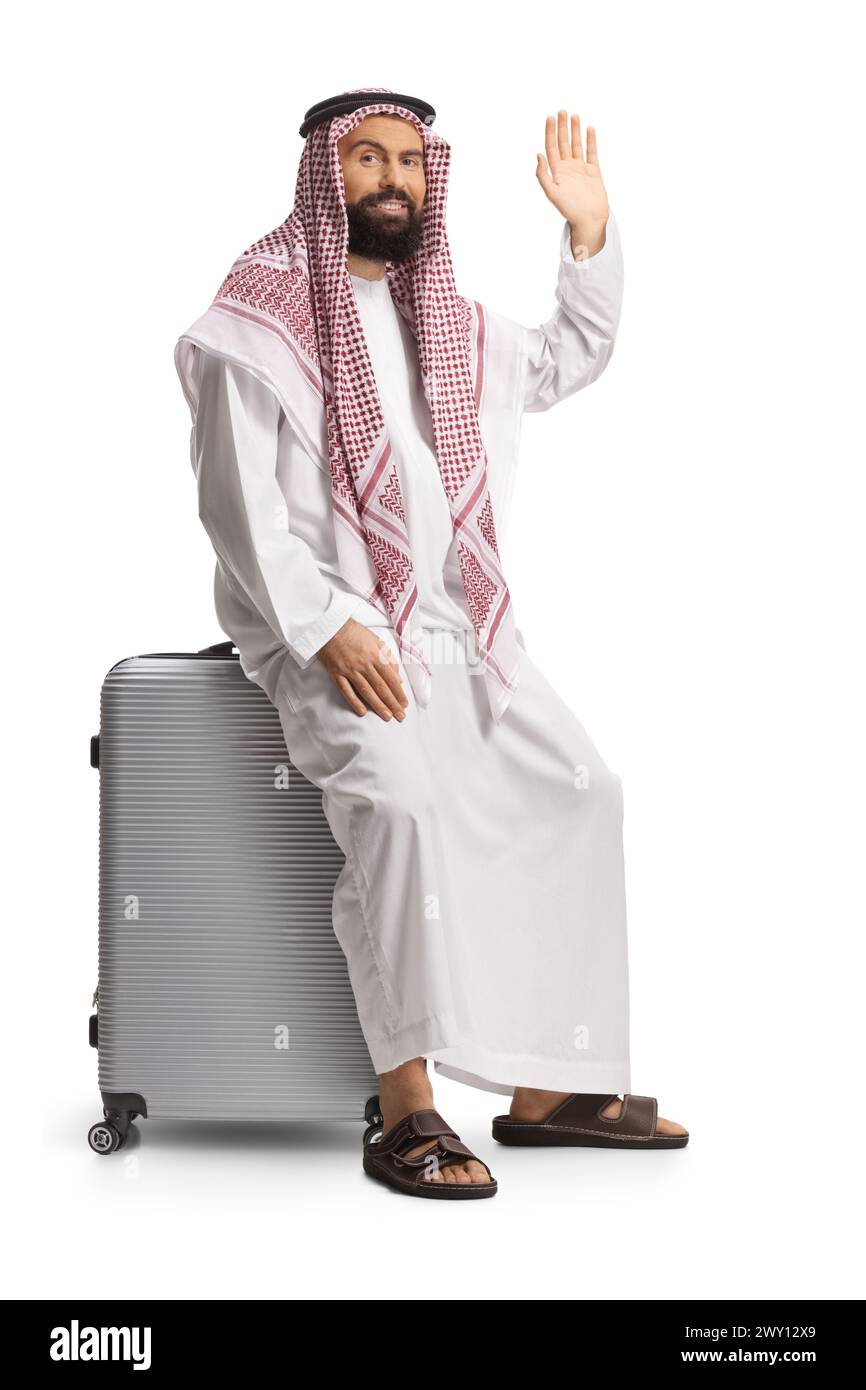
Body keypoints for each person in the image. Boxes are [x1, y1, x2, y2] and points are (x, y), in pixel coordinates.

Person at [175, 88, 688, 1201]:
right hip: (332, 638)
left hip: (459, 633)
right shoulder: (252, 320)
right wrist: (322, 630)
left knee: (580, 786)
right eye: (366, 158)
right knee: (399, 810)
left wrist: (587, 233)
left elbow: (565, 358)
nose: (392, 178)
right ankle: (406, 1108)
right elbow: (235, 506)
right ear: (325, 173)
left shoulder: (445, 322)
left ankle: (549, 1086)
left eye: (409, 160)